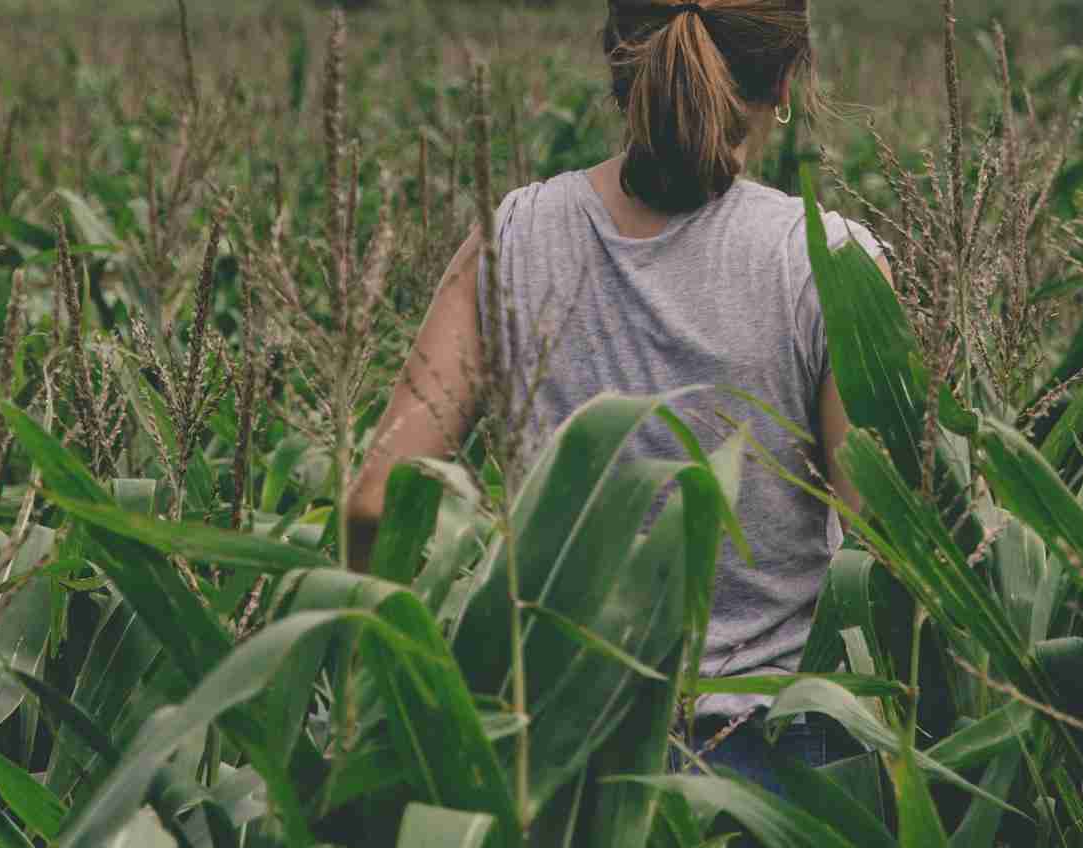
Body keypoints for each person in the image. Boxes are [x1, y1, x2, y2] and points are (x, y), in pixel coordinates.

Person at [345, 0, 889, 794]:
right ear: (785, 85)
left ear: (614, 66)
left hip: (558, 755)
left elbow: (374, 506)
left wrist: (392, 702)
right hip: (777, 762)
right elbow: (881, 553)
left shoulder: (514, 236)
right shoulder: (827, 262)